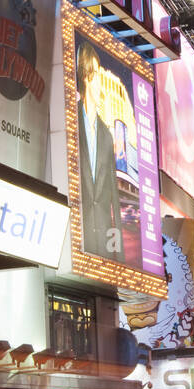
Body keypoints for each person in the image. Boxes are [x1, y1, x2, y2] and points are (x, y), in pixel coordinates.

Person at [77, 43, 121, 259]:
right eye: (94, 76)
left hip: (104, 245)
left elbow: (114, 195)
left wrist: (118, 255)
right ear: (85, 77)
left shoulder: (106, 136)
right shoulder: (71, 121)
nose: (99, 85)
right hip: (79, 237)